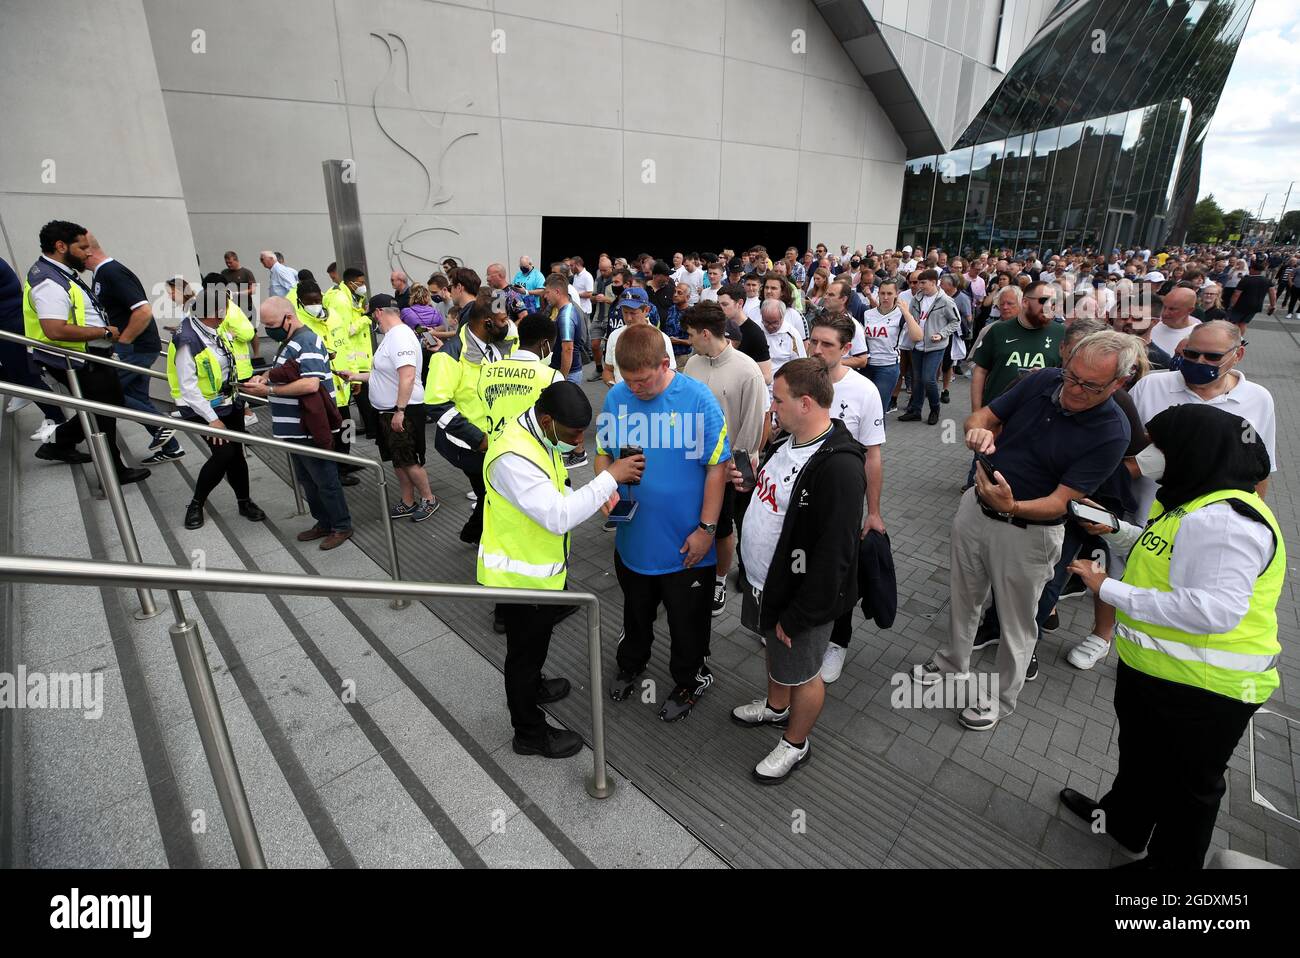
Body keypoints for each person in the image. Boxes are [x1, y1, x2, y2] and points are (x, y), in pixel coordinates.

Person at [1060, 405, 1283, 870]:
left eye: (1162, 445)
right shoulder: (1193, 496)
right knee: (1141, 760)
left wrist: (1108, 588)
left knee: (1190, 791)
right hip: (1159, 672)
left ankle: (1171, 869)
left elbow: (1213, 611)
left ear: (1194, 450)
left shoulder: (1227, 520)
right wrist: (1117, 530)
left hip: (1205, 688)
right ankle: (1122, 823)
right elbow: (1164, 549)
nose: (1151, 454)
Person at [913, 331, 1136, 731]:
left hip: (1029, 531)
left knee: (1017, 620)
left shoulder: (1112, 430)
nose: (1074, 389)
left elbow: (1063, 500)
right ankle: (951, 661)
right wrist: (977, 429)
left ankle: (1000, 698)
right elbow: (983, 416)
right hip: (975, 508)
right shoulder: (1043, 380)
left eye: (1090, 385)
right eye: (1072, 376)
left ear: (1118, 383)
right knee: (964, 596)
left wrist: (1012, 506)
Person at [480, 380, 646, 756]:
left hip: (538, 571)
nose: (577, 443)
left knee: (533, 646)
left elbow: (552, 494)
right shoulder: (514, 457)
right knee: (522, 657)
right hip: (519, 578)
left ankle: (534, 686)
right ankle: (529, 733)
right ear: (548, 419)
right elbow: (557, 517)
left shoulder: (535, 434)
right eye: (572, 434)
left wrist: (597, 495)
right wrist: (609, 478)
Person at [729, 359, 866, 783]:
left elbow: (835, 555)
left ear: (805, 403)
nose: (772, 407)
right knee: (773, 650)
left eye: (778, 399)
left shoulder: (840, 468)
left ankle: (796, 743)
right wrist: (752, 485)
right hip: (764, 583)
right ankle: (775, 708)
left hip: (798, 597)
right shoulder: (787, 441)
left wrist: (800, 614)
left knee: (804, 672)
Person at [596, 324, 731, 722]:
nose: (634, 389)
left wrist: (707, 530)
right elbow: (604, 454)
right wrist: (606, 488)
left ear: (664, 364)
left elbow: (717, 469)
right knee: (635, 615)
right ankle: (631, 662)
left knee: (688, 625)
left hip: (686, 546)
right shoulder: (617, 397)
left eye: (643, 380)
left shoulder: (697, 399)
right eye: (628, 380)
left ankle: (692, 679)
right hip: (634, 540)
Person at [22, 220, 149, 483]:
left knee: (108, 403)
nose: (88, 253)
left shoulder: (59, 272)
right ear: (61, 246)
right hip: (75, 358)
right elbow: (54, 329)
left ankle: (60, 443)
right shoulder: (49, 282)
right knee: (103, 410)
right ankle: (112, 472)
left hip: (85, 354)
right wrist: (103, 333)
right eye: (82, 248)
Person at [804, 312, 886, 682]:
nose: (816, 350)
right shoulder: (799, 376)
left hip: (842, 501)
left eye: (827, 345)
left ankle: (837, 641)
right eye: (813, 341)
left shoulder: (863, 391)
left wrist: (875, 512)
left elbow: (873, 455)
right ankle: (799, 624)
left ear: (847, 349)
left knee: (839, 572)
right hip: (797, 495)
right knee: (798, 561)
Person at [682, 301, 770, 617]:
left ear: (706, 334)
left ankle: (718, 581)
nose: (688, 340)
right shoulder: (692, 364)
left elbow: (753, 426)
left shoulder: (748, 371)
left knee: (721, 529)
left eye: (691, 334)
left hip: (727, 469)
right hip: (690, 463)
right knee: (695, 521)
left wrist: (741, 472)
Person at [245, 297, 353, 550]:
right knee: (308, 480)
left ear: (289, 318)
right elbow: (282, 371)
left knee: (325, 481)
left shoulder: (307, 341)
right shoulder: (290, 341)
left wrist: (268, 390)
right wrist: (262, 378)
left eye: (271, 323)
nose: (268, 329)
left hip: (309, 427)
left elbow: (310, 383)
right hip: (294, 428)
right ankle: (324, 522)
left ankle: (341, 525)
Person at [166, 278, 265, 529]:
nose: (226, 313)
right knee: (224, 453)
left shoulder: (212, 329)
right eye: (224, 310)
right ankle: (196, 503)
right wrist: (213, 419)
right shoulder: (188, 340)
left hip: (229, 402)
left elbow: (221, 365)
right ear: (215, 313)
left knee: (237, 454)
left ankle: (244, 501)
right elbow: (188, 387)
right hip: (204, 409)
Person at [83, 236, 186, 465]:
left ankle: (163, 426)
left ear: (87, 251)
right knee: (137, 397)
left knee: (109, 394)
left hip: (134, 348)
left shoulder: (112, 272)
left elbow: (143, 311)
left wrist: (123, 343)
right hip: (135, 347)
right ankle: (171, 447)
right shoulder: (102, 273)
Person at [425, 289, 515, 545]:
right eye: (502, 320)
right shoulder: (448, 356)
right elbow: (436, 405)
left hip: (494, 440)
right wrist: (478, 439)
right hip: (470, 446)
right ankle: (482, 537)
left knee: (491, 494)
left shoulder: (494, 347)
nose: (506, 325)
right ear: (487, 323)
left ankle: (475, 533)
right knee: (492, 493)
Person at [341, 295, 439, 522]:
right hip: (388, 410)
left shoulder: (400, 337)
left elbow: (407, 375)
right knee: (398, 460)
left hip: (402, 410)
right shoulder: (391, 337)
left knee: (408, 459)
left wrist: (400, 410)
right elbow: (384, 374)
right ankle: (407, 500)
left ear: (377, 313)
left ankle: (429, 498)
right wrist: (355, 376)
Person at [0, 255, 68, 433]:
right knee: (22, 376)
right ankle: (20, 386)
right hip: (8, 323)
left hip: (10, 324)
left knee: (27, 378)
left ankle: (57, 419)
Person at [897, 269, 961, 424]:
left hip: (935, 346)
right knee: (917, 379)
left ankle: (935, 409)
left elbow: (955, 321)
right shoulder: (917, 299)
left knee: (928, 379)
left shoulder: (945, 301)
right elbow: (909, 318)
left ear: (934, 282)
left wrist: (942, 334)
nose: (919, 286)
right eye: (918, 282)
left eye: (923, 283)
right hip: (917, 345)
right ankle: (916, 411)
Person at [324, 267, 377, 439]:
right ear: (350, 282)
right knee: (350, 406)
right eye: (360, 283)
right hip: (347, 361)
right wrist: (366, 318)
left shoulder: (350, 296)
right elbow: (347, 330)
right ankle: (349, 452)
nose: (363, 286)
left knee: (353, 404)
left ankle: (364, 434)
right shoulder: (340, 300)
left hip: (350, 360)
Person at [860, 278, 922, 412]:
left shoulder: (900, 315)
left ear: (896, 294)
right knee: (863, 409)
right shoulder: (868, 314)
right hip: (866, 366)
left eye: (889, 293)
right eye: (882, 293)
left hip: (887, 367)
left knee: (878, 409)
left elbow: (917, 337)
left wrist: (906, 312)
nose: (885, 297)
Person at [602, 287, 673, 386]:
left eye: (633, 313)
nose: (628, 318)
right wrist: (612, 385)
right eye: (625, 312)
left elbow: (671, 375)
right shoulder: (614, 336)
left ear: (647, 310)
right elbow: (608, 370)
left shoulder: (662, 339)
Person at [540, 272, 587, 398]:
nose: (545, 296)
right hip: (566, 371)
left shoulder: (566, 316)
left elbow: (568, 349)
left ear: (557, 291)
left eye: (547, 292)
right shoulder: (566, 310)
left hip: (568, 374)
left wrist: (562, 378)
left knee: (564, 415)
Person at [1226, 257, 1275, 335]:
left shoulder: (1246, 280)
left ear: (1252, 269)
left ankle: (1233, 339)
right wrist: (1272, 305)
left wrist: (1231, 305)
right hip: (1256, 306)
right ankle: (1240, 340)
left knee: (1233, 322)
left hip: (1241, 305)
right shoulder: (1267, 280)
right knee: (1243, 323)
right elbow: (1272, 293)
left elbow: (1236, 294)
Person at [1149, 285, 1200, 357]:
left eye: (1172, 309)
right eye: (1164, 307)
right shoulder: (1151, 324)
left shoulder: (1198, 335)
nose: (1165, 313)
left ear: (1190, 310)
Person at [221, 251, 257, 318]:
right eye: (227, 263)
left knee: (250, 328)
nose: (228, 264)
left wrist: (237, 293)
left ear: (236, 260)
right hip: (231, 308)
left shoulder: (246, 273)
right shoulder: (224, 273)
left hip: (246, 307)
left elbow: (253, 290)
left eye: (230, 262)